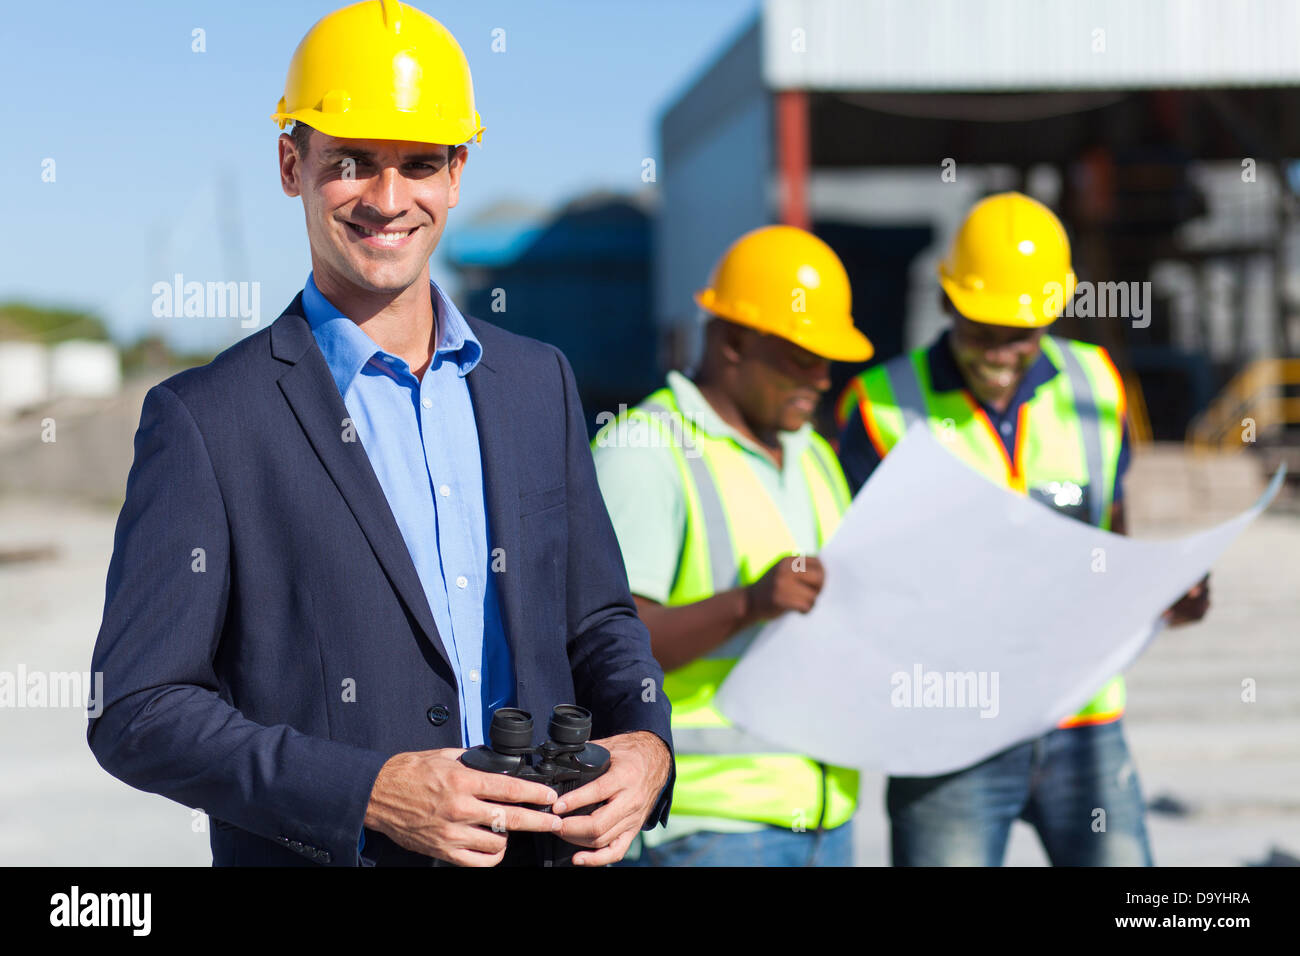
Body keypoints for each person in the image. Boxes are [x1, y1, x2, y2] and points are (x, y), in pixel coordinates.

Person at [86, 0, 672, 868]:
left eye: (420, 164)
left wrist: (647, 743)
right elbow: (137, 708)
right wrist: (365, 792)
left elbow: (597, 619)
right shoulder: (208, 420)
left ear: (458, 172)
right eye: (351, 163)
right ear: (291, 164)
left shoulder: (534, 383)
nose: (388, 200)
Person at [835, 191, 1209, 866]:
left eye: (1022, 332)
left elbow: (1112, 533)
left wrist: (1160, 589)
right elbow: (856, 590)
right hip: (949, 735)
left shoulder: (1097, 386)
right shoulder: (877, 407)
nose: (1004, 352)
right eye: (984, 329)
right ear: (948, 301)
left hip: (1084, 722)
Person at [593, 225, 872, 865]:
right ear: (736, 342)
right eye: (803, 356)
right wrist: (748, 602)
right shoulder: (645, 451)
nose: (824, 377)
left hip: (826, 819)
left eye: (829, 359)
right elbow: (608, 654)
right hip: (706, 827)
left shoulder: (814, 456)